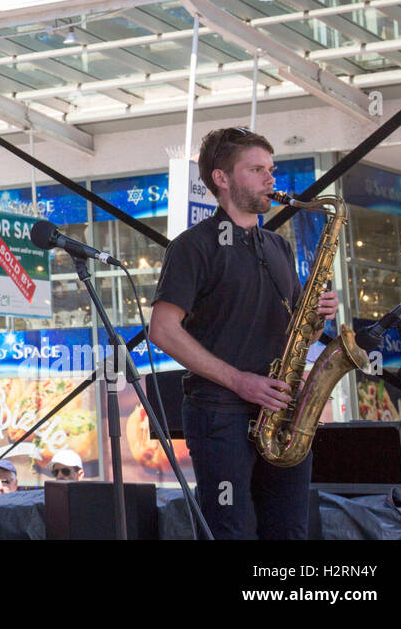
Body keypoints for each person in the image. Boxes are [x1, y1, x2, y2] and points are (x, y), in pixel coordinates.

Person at [149, 126, 338, 539]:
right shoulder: (193, 246)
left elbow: (290, 327)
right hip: (220, 414)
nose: (271, 179)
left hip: (282, 409)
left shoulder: (278, 246)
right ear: (222, 178)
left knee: (289, 531)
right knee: (230, 531)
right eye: (256, 169)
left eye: (271, 169)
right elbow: (162, 330)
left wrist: (316, 314)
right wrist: (240, 381)